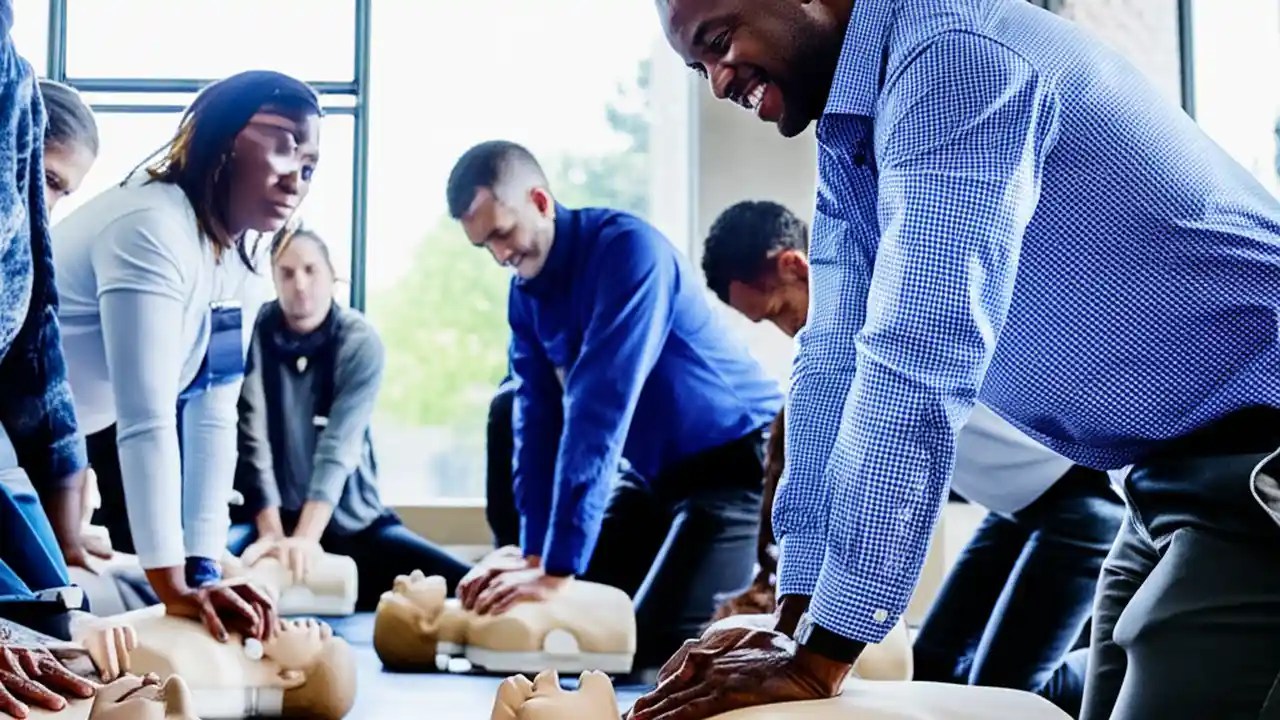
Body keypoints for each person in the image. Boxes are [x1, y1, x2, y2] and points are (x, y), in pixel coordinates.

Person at [636, 1, 1280, 719]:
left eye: (719, 43)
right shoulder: (854, 135)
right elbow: (829, 365)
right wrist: (792, 621)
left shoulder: (952, 52)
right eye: (698, 68)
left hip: (1258, 451)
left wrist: (823, 656)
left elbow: (920, 351)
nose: (718, 83)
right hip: (1160, 477)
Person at [702, 199, 1124, 715]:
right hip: (1012, 508)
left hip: (1080, 501)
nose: (786, 330)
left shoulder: (897, 299)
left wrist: (824, 636)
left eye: (777, 311)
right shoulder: (830, 357)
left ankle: (1126, 662)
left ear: (794, 265)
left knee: (1007, 692)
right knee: (934, 670)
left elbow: (888, 473)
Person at [446, 140, 784, 671]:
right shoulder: (524, 295)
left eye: (502, 234)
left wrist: (558, 565)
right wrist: (535, 552)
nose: (500, 255)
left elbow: (599, 409)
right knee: (576, 618)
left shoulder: (628, 252)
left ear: (540, 200)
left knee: (643, 645)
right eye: (483, 244)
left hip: (741, 468)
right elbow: (535, 421)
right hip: (653, 480)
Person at [50, 70, 326, 644]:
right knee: (62, 611)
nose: (295, 180)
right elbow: (147, 418)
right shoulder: (152, 226)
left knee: (132, 590)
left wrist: (202, 562)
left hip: (50, 456)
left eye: (309, 166)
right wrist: (172, 585)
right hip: (17, 453)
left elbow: (213, 412)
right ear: (222, 140)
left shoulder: (239, 262)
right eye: (282, 148)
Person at [229, 226, 472, 610]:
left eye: (311, 270)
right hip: (267, 522)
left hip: (351, 524)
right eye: (287, 273)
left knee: (463, 583)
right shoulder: (249, 333)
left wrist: (306, 540)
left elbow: (338, 447)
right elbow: (250, 436)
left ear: (333, 277)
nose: (300, 285)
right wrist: (274, 536)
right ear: (272, 279)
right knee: (208, 574)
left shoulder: (360, 341)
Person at [0, 3, 100, 715]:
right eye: (52, 183)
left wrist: (66, 476)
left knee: (61, 616)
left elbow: (36, 333)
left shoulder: (17, 88)